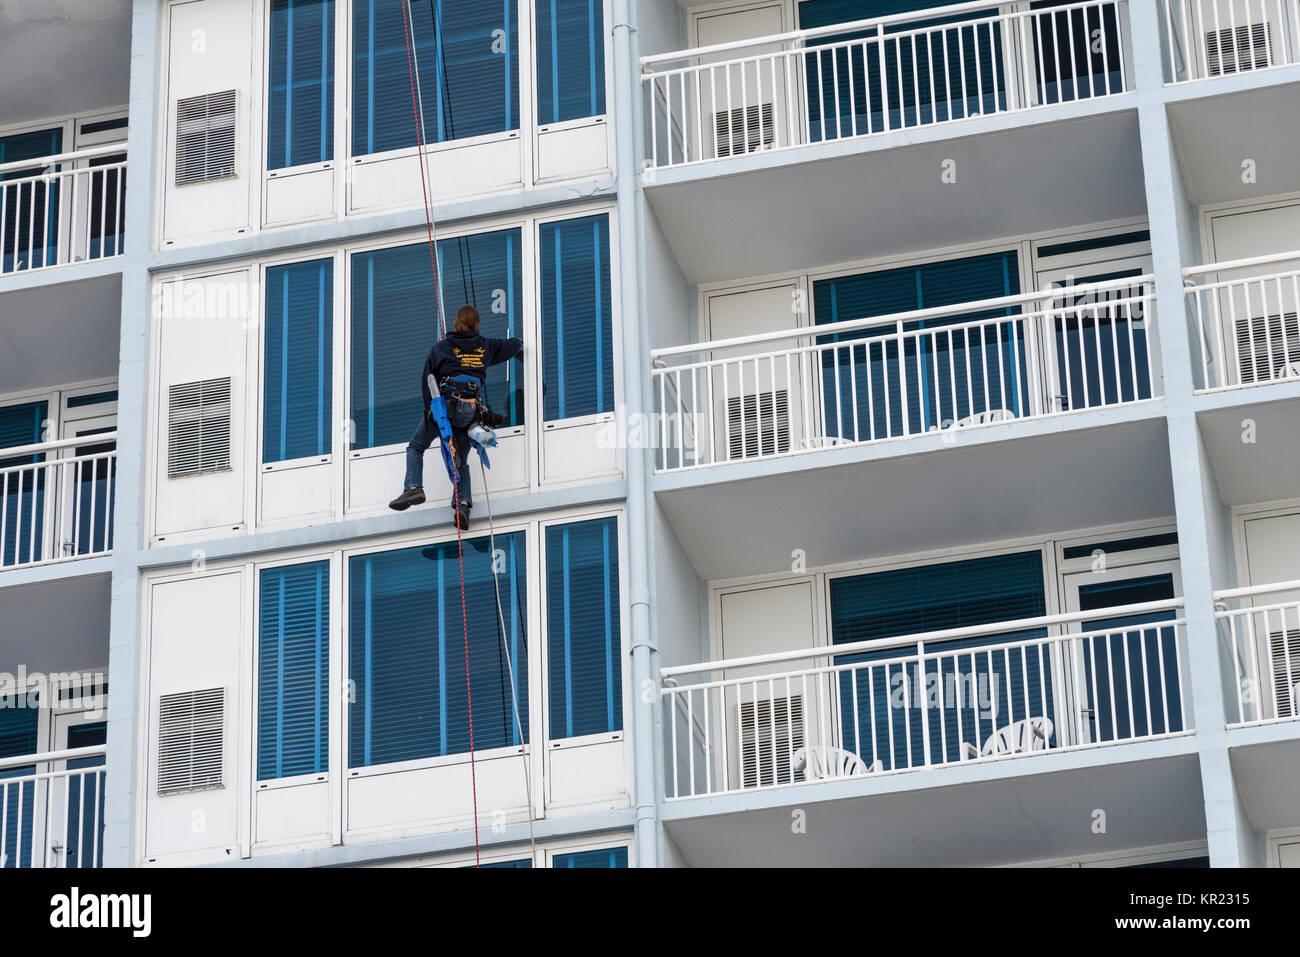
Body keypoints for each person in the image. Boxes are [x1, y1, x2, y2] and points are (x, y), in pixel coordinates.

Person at [388, 305, 522, 529]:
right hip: (469, 411)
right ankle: (463, 505)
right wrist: (520, 343)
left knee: (416, 446)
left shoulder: (442, 348)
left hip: (445, 407)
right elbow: (512, 345)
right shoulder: (486, 346)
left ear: (456, 323)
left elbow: (427, 380)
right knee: (460, 460)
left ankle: (414, 487)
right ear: (476, 324)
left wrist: (430, 413)